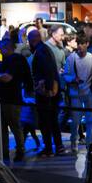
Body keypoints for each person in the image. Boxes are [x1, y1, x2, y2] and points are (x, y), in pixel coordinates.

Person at [0, 36, 32, 161]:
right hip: (7, 99)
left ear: (7, 48)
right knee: (5, 127)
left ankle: (19, 151)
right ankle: (5, 151)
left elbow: (8, 78)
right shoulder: (10, 59)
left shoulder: (15, 60)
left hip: (12, 99)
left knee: (15, 126)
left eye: (1, 49)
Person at [28, 28, 63, 156]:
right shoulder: (45, 49)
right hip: (51, 92)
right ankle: (58, 146)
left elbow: (47, 72)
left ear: (32, 40)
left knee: (45, 122)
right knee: (53, 120)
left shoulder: (41, 51)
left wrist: (47, 90)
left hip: (45, 94)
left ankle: (48, 148)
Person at [62, 38, 92, 151]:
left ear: (87, 44)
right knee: (75, 120)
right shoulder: (72, 58)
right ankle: (74, 141)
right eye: (79, 43)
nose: (80, 46)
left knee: (90, 120)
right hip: (76, 93)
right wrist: (73, 79)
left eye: (82, 44)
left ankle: (90, 143)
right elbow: (65, 75)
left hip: (89, 93)